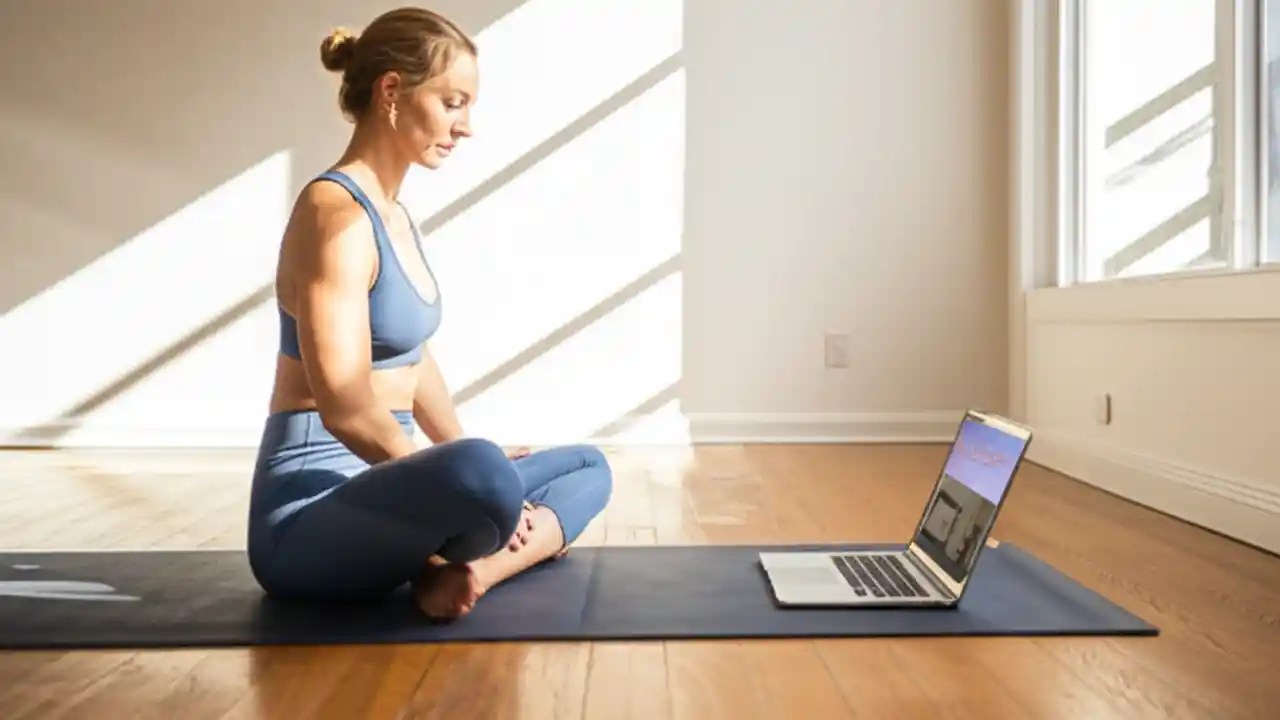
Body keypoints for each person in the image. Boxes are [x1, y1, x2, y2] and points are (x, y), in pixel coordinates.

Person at [245, 7, 613, 620]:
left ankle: (470, 574)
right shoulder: (333, 216)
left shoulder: (393, 214)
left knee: (587, 465)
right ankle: (460, 542)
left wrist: (458, 449)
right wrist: (459, 472)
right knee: (482, 471)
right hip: (309, 518)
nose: (465, 126)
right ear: (392, 90)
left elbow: (412, 359)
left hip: (393, 485)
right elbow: (343, 404)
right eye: (453, 102)